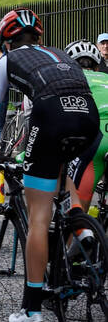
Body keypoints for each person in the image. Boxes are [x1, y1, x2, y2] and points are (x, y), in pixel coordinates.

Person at [0, 9, 99, 322]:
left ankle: (31, 308)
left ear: (5, 39)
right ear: (39, 37)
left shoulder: (5, 61)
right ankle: (81, 227)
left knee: (39, 216)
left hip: (51, 119)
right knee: (62, 171)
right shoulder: (60, 54)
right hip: (88, 120)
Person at [65, 40, 108, 214]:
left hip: (95, 140)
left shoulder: (70, 80)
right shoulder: (106, 77)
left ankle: (75, 235)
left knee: (75, 212)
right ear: (97, 67)